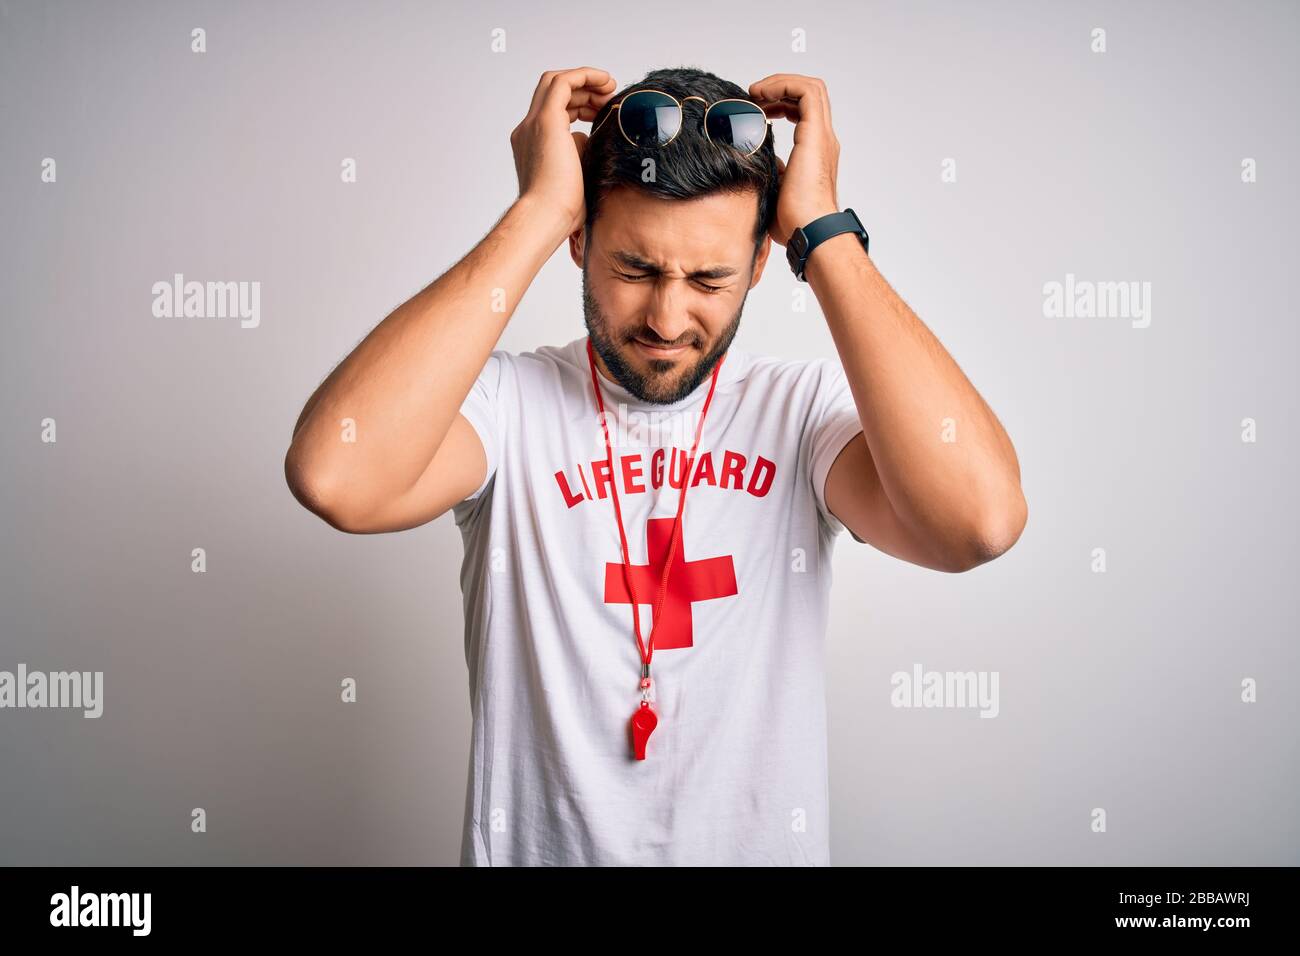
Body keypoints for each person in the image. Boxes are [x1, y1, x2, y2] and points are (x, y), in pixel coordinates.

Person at [284, 65, 1028, 866]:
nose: (668, 319)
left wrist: (825, 230)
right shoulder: (506, 404)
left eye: (710, 278)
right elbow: (338, 476)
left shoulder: (802, 413)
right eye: (635, 270)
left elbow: (978, 524)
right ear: (579, 241)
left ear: (761, 262)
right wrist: (536, 210)